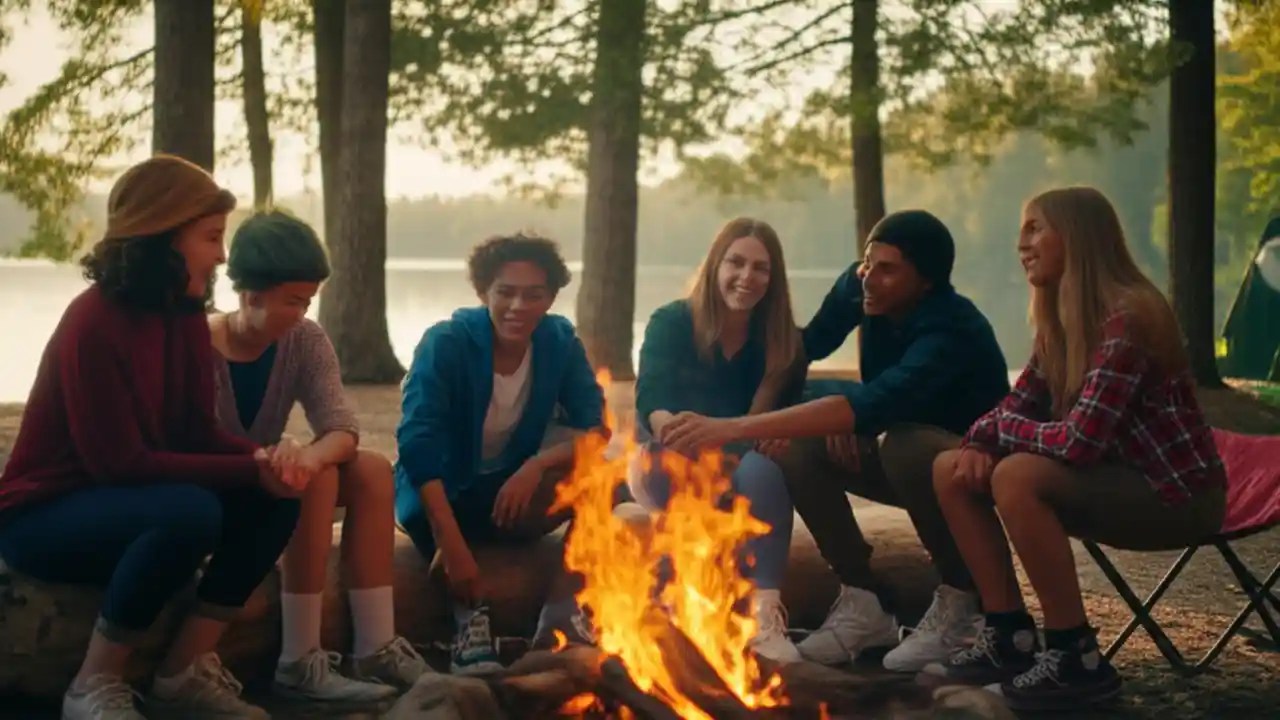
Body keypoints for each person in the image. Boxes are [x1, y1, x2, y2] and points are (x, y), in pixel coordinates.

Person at [0, 155, 301, 720]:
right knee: (189, 511)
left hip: (128, 508)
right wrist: (246, 467)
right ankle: (92, 685)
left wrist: (263, 460)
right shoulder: (92, 323)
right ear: (161, 235)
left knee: (278, 498)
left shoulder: (184, 315)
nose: (221, 255)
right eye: (211, 237)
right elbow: (118, 465)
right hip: (43, 519)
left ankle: (180, 675)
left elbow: (195, 430)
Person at [657, 210, 1011, 671]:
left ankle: (965, 607)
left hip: (968, 469)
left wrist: (736, 427)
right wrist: (781, 409)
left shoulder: (949, 330)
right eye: (868, 262)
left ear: (925, 282)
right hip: (891, 445)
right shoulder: (861, 286)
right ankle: (866, 602)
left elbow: (881, 400)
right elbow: (803, 346)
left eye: (887, 270)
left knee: (904, 445)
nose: (869, 277)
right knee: (797, 449)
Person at [925, 186, 1226, 711]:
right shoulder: (1060, 322)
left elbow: (1079, 443)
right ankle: (1009, 636)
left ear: (1079, 237)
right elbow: (1017, 403)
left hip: (1176, 499)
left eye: (1036, 227)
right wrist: (978, 438)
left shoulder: (1130, 316)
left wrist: (997, 437)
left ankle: (1075, 657)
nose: (1022, 243)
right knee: (950, 467)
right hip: (1114, 483)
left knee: (1016, 475)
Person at [208, 211, 430, 703]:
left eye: (307, 301)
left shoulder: (304, 339)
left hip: (275, 475)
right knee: (320, 480)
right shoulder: (200, 346)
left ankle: (375, 646)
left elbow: (341, 427)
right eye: (292, 301)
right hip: (216, 484)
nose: (302, 313)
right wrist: (276, 460)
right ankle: (299, 659)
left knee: (369, 469)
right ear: (250, 294)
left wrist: (305, 457)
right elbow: (193, 441)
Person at [393, 233, 606, 675]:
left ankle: (562, 619)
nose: (518, 307)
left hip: (508, 485)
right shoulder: (446, 343)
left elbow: (596, 431)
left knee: (602, 483)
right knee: (422, 511)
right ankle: (470, 621)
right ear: (482, 291)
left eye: (534, 295)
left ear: (551, 298)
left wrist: (538, 464)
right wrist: (451, 546)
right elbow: (418, 445)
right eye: (505, 292)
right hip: (440, 488)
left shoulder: (559, 342)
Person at [631, 217, 807, 664]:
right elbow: (651, 398)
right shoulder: (672, 322)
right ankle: (685, 602)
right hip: (670, 457)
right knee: (671, 464)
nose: (746, 277)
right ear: (715, 264)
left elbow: (769, 424)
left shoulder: (782, 344)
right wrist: (674, 428)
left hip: (745, 469)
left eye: (760, 268)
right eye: (736, 262)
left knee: (764, 468)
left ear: (774, 278)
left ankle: (764, 616)